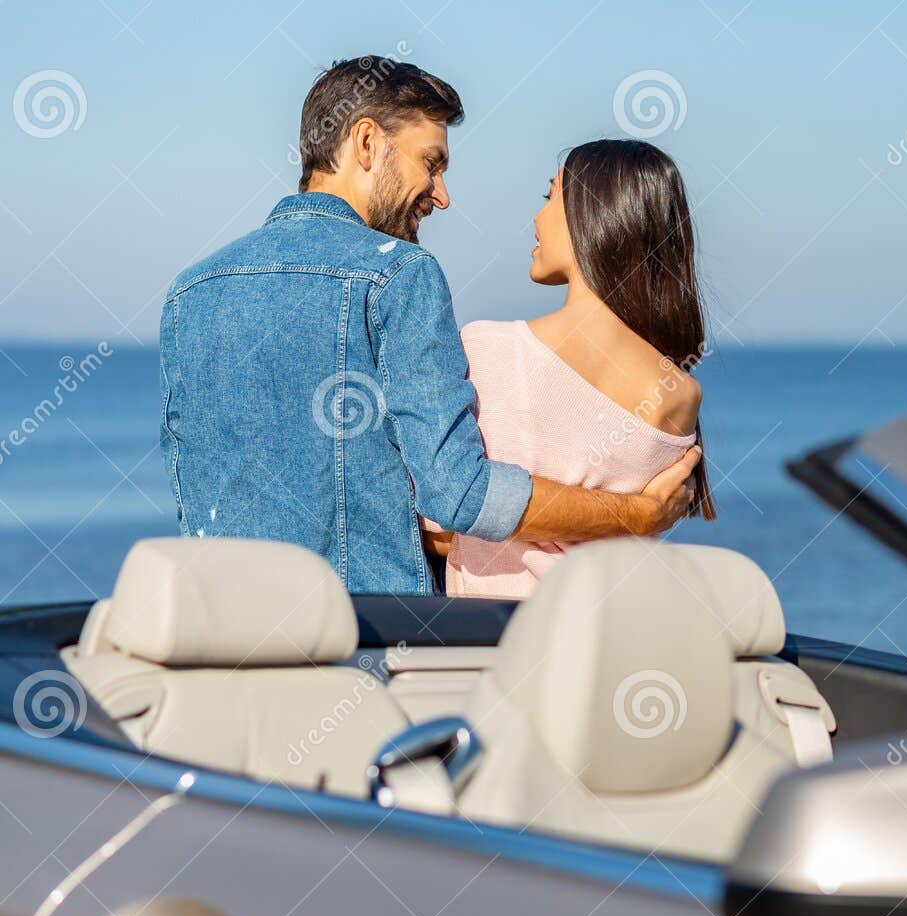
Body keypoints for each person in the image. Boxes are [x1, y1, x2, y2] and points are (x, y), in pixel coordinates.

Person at [157, 57, 698, 594]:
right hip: (369, 638)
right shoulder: (398, 275)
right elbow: (458, 493)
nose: (442, 194)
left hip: (221, 636)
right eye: (431, 163)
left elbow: (192, 491)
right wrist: (637, 514)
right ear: (366, 144)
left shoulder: (189, 294)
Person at [429, 139, 714, 596]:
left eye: (550, 196)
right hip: (610, 641)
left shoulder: (486, 349)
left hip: (492, 646)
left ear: (593, 212)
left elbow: (440, 524)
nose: (537, 217)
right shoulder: (681, 395)